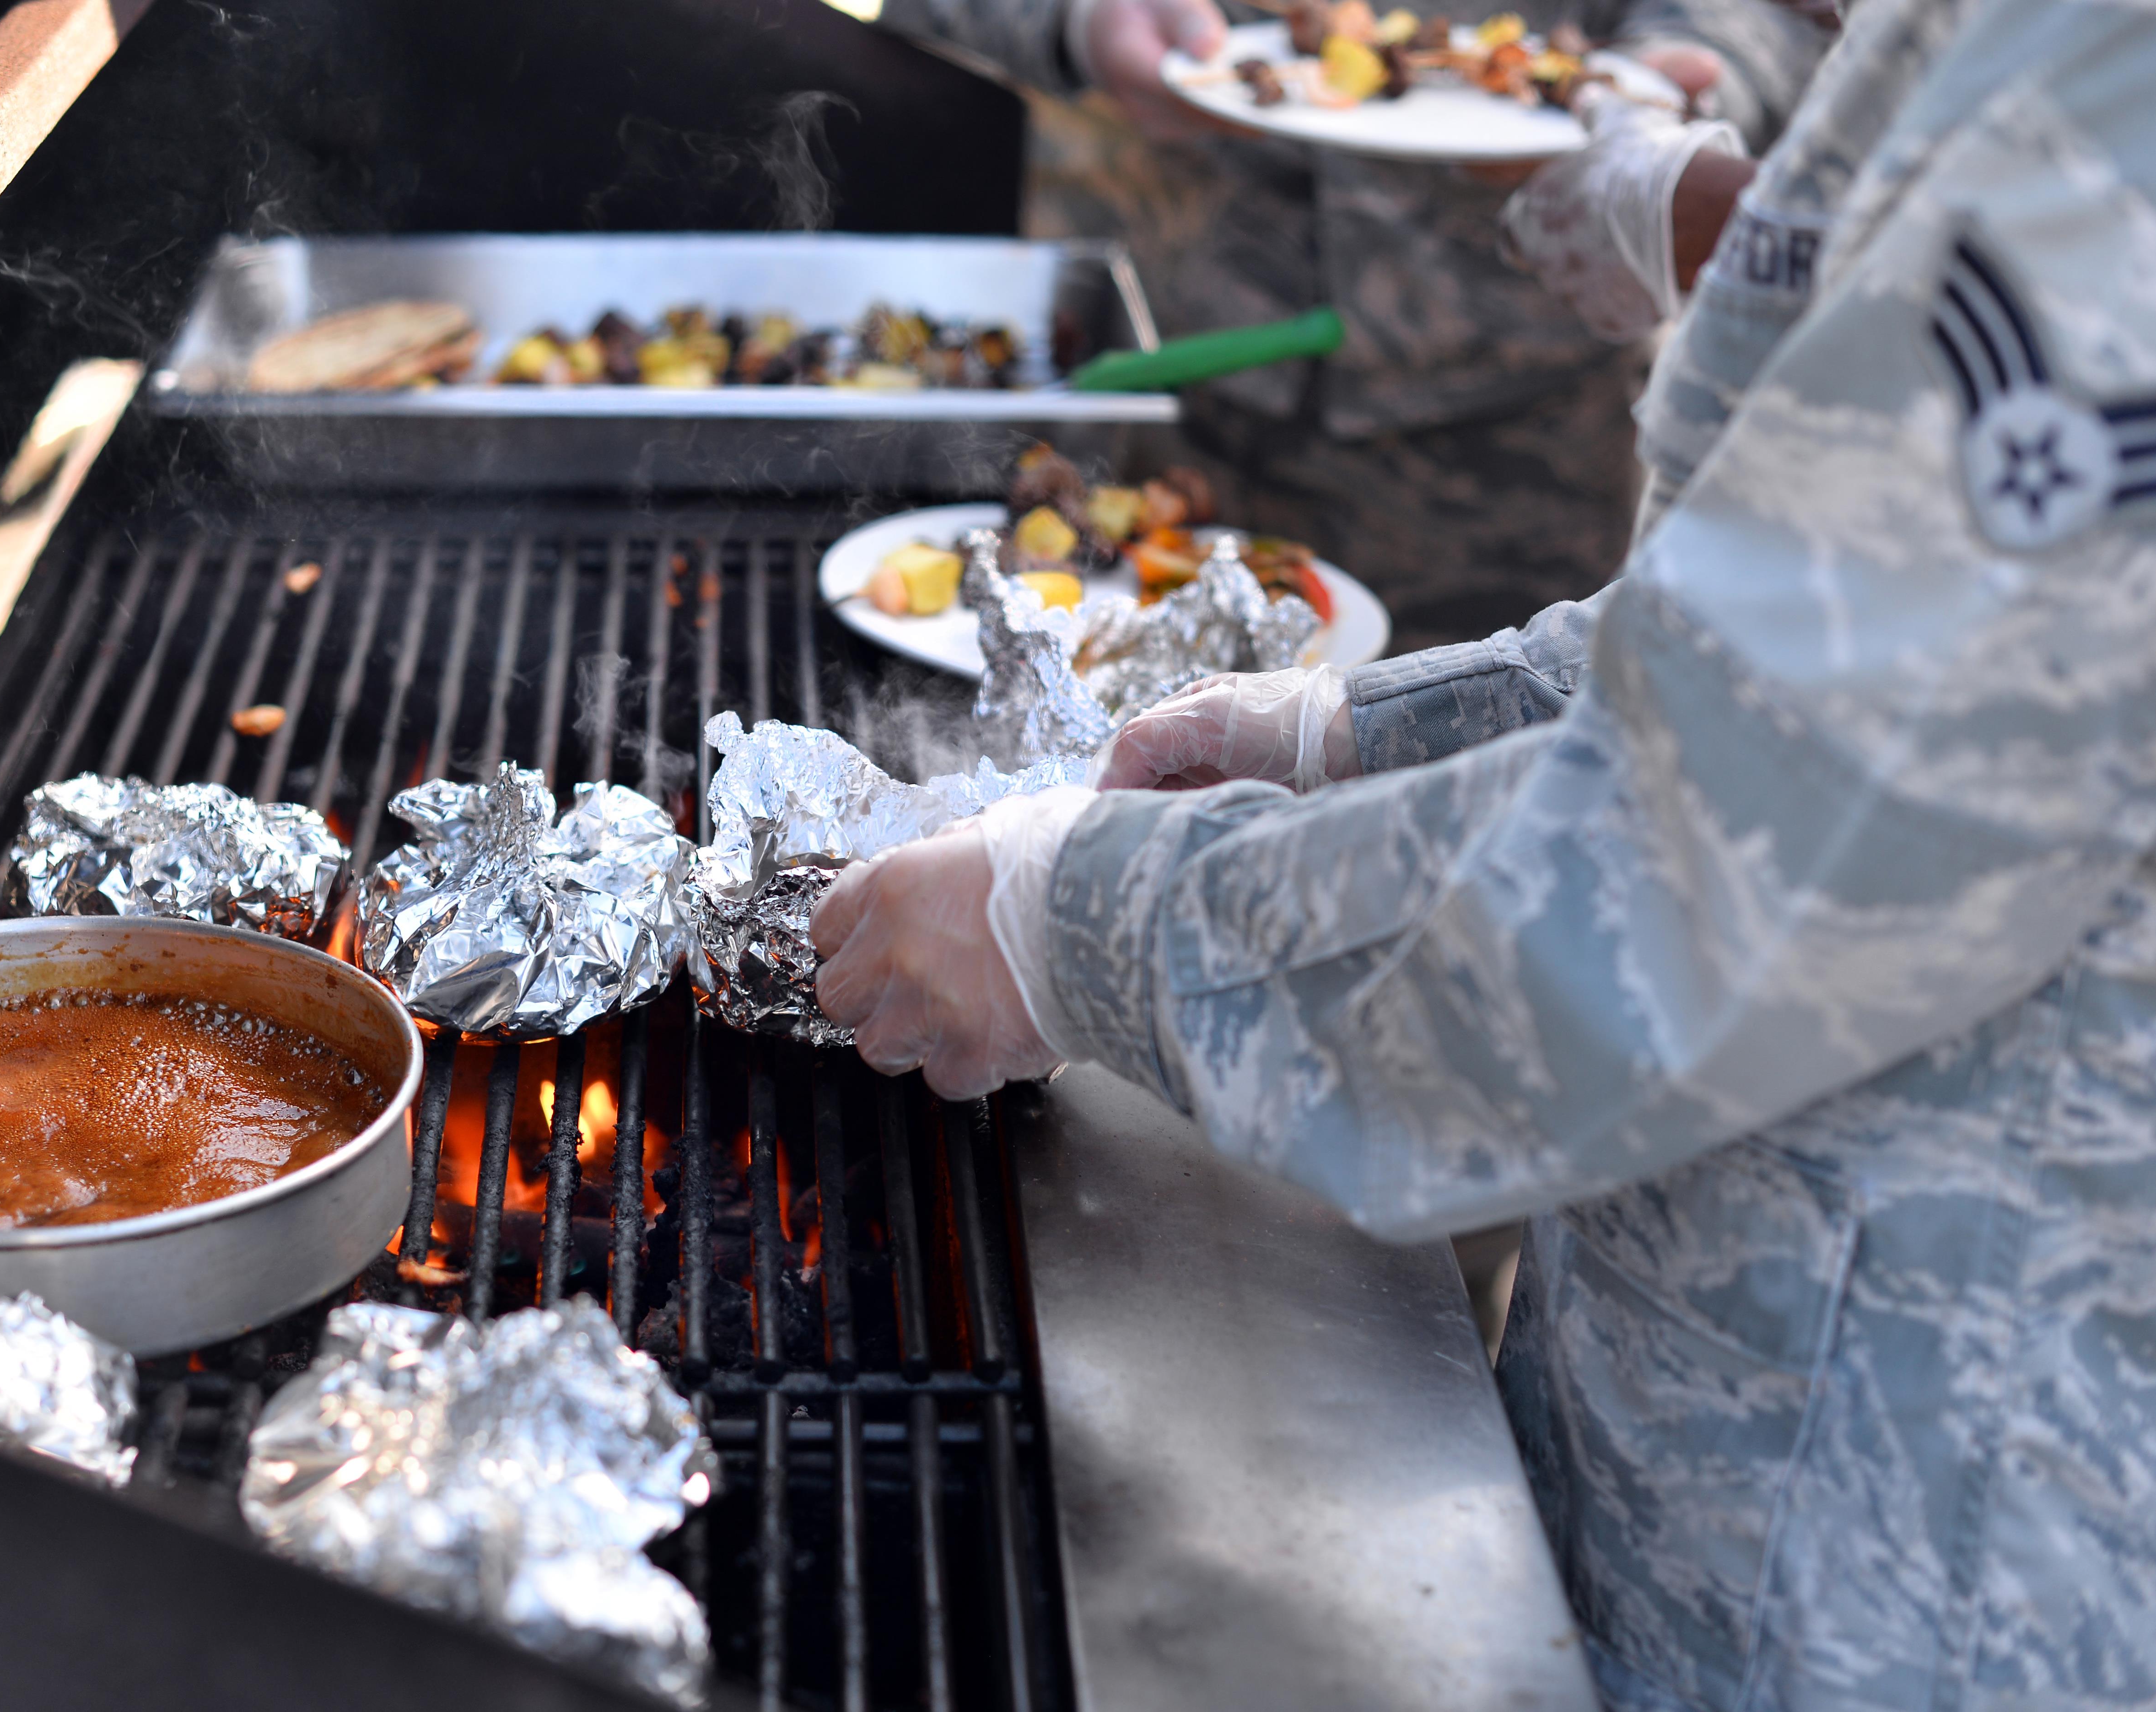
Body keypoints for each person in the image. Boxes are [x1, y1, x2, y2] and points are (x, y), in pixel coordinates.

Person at [813, 0, 2156, 1701]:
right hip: (1736, 1393)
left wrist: (1069, 930)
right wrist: (1366, 728)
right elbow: (1815, 643)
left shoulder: (2101, 96)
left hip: (1912, 1542)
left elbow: (1686, 886)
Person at [873, 0, 1830, 648]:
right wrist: (1077, 22)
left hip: (1516, 437)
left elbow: (1783, 17)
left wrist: (1683, 90)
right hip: (1162, 381)